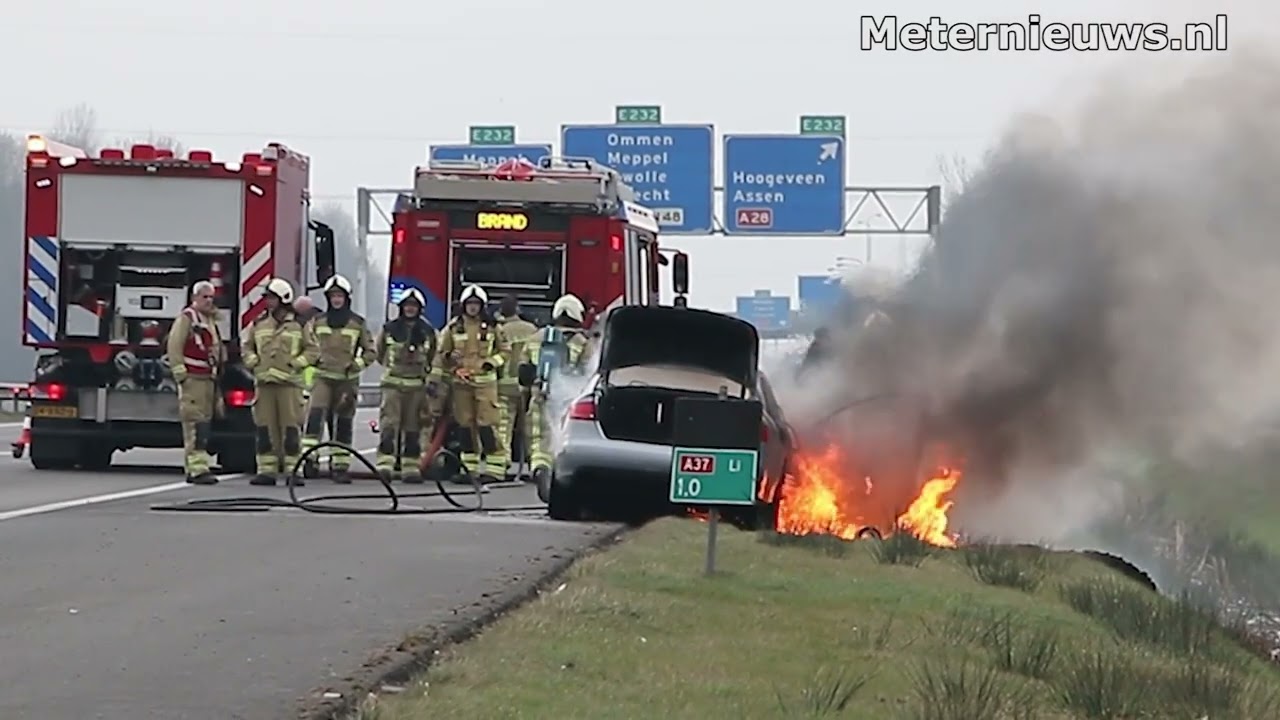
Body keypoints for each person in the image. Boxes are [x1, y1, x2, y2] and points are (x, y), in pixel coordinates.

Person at [241, 278, 319, 486]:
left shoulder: (299, 324)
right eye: (267, 298)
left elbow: (312, 349)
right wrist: (253, 362)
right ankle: (267, 470)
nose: (269, 302)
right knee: (265, 429)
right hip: (265, 384)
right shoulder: (258, 323)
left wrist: (296, 363)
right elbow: (247, 347)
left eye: (273, 298)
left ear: (283, 299)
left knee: (291, 429)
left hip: (289, 385)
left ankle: (294, 470)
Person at [301, 275, 376, 483]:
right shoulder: (317, 321)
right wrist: (312, 361)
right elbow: (306, 344)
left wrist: (357, 365)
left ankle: (340, 466)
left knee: (342, 423)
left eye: (339, 296)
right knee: (314, 419)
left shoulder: (357, 323)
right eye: (333, 296)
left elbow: (371, 352)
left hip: (346, 380)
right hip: (322, 378)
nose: (336, 300)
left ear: (346, 298)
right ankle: (310, 461)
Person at [436, 284, 509, 482]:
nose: (473, 307)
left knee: (487, 425)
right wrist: (453, 363)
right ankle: (470, 470)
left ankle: (495, 470)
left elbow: (505, 351)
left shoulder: (494, 327)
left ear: (482, 306)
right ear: (463, 305)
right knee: (465, 427)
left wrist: (491, 363)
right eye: (470, 304)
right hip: (462, 385)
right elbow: (442, 354)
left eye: (476, 304)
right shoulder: (453, 327)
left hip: (486, 386)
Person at [521, 293, 590, 488]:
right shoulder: (582, 342)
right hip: (567, 401)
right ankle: (557, 474)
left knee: (538, 439)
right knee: (561, 439)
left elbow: (522, 369)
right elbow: (588, 372)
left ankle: (539, 468)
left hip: (539, 397)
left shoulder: (537, 337)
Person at [165, 279, 224, 485]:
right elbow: (174, 345)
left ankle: (200, 465)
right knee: (194, 423)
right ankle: (196, 468)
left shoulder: (209, 320)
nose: (209, 301)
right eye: (204, 297)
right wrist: (181, 374)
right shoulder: (187, 318)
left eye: (211, 297)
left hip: (208, 379)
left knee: (204, 423)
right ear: (194, 298)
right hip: (193, 379)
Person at [374, 289, 436, 481]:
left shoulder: (428, 331)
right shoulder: (389, 329)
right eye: (407, 305)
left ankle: (410, 467)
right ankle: (385, 465)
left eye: (414, 306)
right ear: (401, 308)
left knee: (412, 428)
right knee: (389, 426)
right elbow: (379, 352)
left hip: (416, 388)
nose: (410, 309)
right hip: (393, 385)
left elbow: (434, 356)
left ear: (419, 309)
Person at [494, 295, 537, 477]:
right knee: (530, 426)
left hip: (504, 384)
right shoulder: (532, 329)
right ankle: (533, 462)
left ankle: (503, 462)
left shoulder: (500, 330)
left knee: (504, 425)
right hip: (526, 385)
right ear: (518, 309)